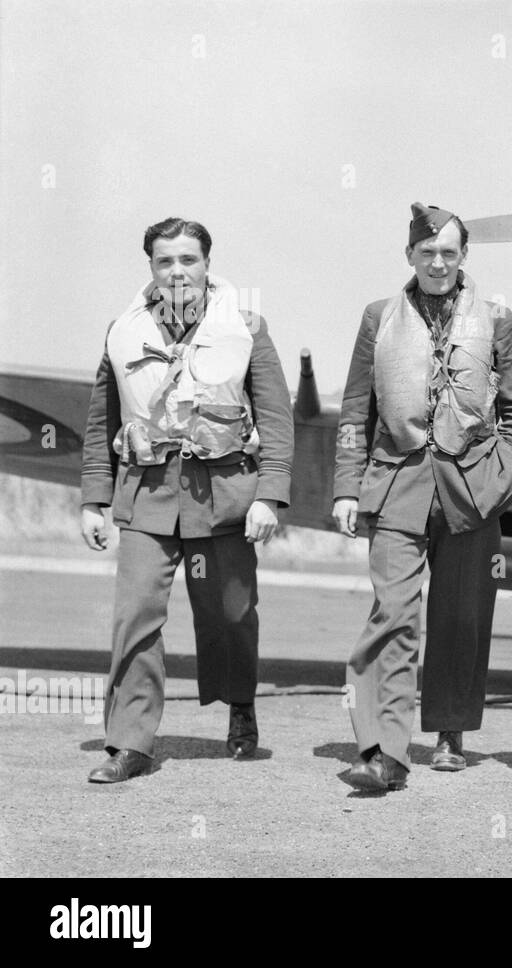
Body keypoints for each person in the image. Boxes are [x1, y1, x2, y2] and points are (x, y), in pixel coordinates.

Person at [80, 217, 294, 783]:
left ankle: (240, 706)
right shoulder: (122, 330)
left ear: (206, 264)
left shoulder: (245, 327)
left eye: (188, 260)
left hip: (223, 494)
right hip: (146, 494)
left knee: (230, 613)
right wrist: (93, 501)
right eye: (165, 261)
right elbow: (103, 420)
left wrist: (269, 496)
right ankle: (129, 743)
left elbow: (275, 417)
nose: (178, 271)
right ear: (151, 268)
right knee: (135, 616)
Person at [333, 203, 512, 793]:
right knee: (392, 613)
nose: (438, 262)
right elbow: (355, 411)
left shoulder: (497, 317)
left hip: (472, 488)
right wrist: (348, 487)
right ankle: (383, 750)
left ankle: (450, 731)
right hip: (396, 484)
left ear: (463, 256)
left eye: (449, 252)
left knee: (461, 614)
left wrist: (499, 472)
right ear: (409, 256)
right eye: (427, 253)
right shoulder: (379, 317)